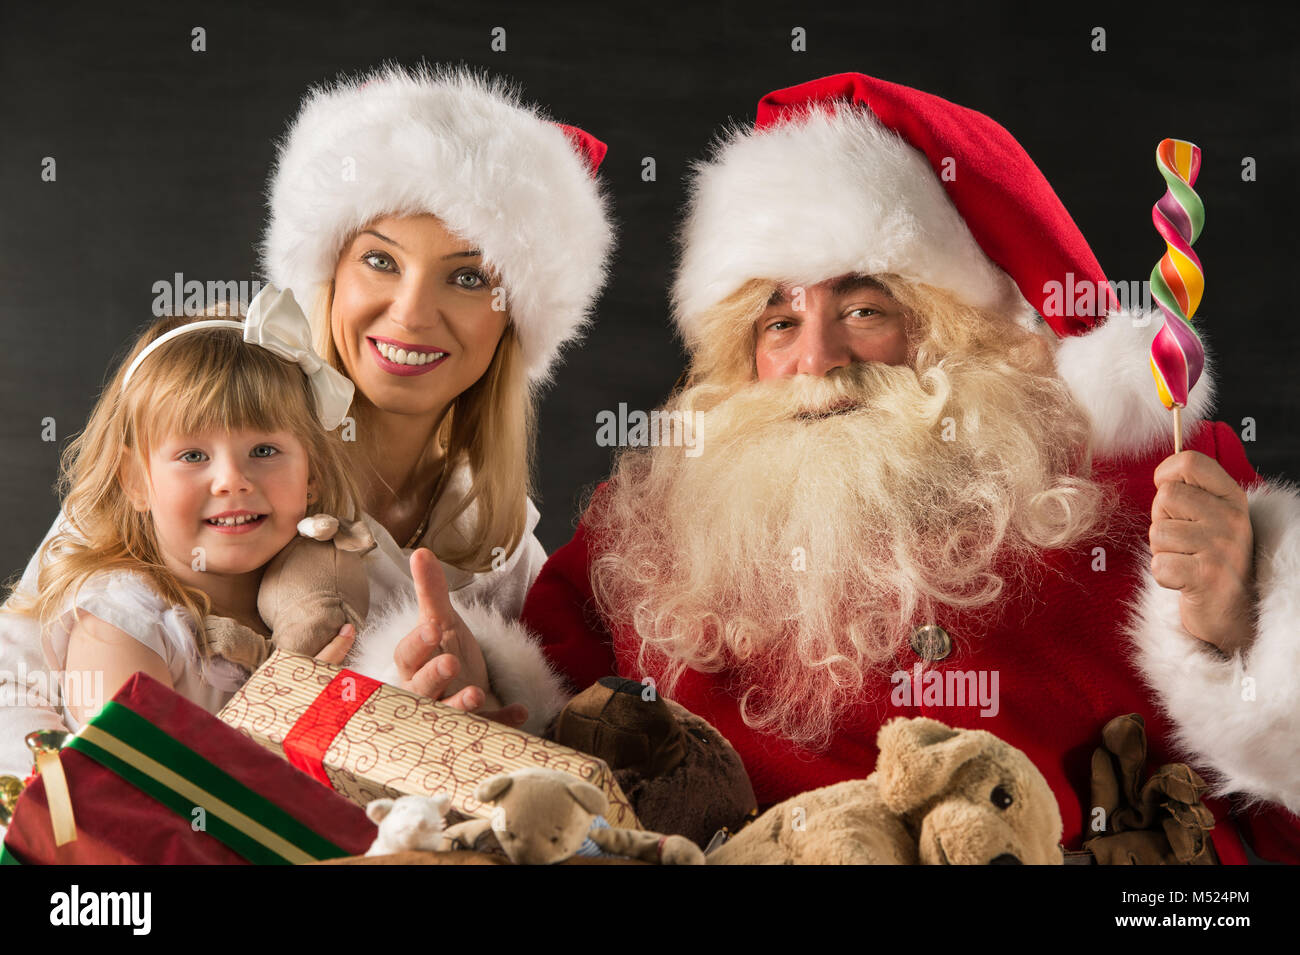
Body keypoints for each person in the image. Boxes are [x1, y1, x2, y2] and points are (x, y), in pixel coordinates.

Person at [519, 73, 1300, 863]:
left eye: (864, 311)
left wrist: (1236, 636)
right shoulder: (651, 522)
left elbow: (1273, 828)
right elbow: (527, 766)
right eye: (779, 321)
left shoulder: (1145, 485)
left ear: (955, 330)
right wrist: (467, 688)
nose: (816, 358)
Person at [0, 64, 611, 777]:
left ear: (513, 320)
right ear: (330, 274)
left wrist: (478, 704)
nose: (412, 312)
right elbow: (16, 681)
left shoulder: (497, 540)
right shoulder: (206, 434)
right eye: (380, 260)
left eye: (469, 276)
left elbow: (522, 757)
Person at [1, 288, 384, 730]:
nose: (231, 480)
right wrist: (284, 710)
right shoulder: (126, 622)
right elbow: (149, 783)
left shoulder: (319, 602)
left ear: (312, 474)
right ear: (136, 482)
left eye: (263, 449)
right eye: (193, 456)